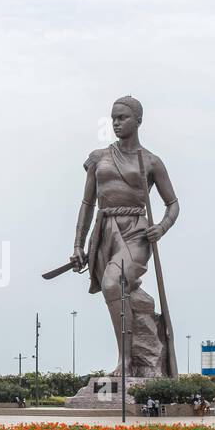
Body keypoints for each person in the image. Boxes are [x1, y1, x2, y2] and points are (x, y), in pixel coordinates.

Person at [69, 95, 181, 377]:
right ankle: (128, 358)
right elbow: (87, 203)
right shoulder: (99, 157)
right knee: (116, 287)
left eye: (123, 118)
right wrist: (78, 244)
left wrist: (163, 227)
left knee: (113, 282)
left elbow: (173, 204)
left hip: (137, 232)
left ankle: (127, 361)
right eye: (114, 118)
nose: (116, 123)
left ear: (138, 121)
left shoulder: (152, 162)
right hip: (105, 229)